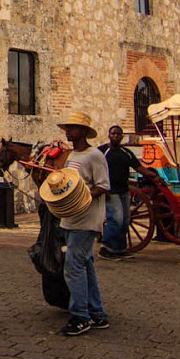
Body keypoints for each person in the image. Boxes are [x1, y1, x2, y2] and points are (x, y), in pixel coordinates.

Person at [55, 110, 109, 336]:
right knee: (85, 265)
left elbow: (104, 186)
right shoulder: (71, 157)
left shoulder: (94, 156)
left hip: (86, 221)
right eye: (67, 127)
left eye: (72, 128)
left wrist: (83, 195)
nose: (68, 131)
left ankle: (80, 317)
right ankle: (96, 314)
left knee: (73, 269)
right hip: (71, 218)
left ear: (84, 132)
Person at [99, 125, 146, 260]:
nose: (115, 136)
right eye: (113, 133)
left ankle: (120, 248)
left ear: (122, 136)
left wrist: (153, 176)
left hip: (124, 191)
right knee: (115, 219)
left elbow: (138, 167)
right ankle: (106, 247)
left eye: (118, 134)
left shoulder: (126, 153)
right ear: (109, 135)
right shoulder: (102, 152)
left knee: (125, 220)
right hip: (110, 191)